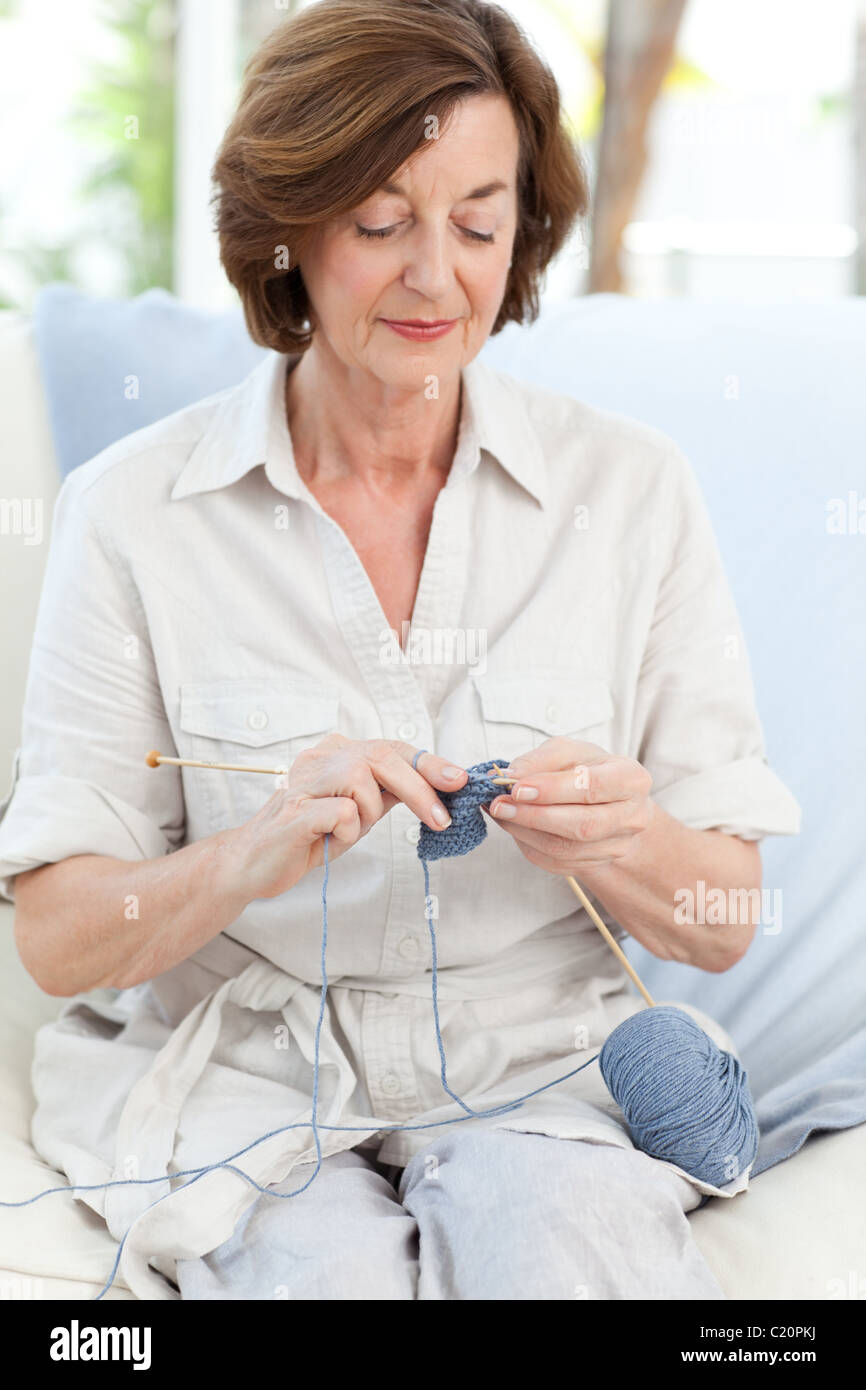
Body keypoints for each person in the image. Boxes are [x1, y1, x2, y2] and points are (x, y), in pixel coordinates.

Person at [0, 0, 801, 1300]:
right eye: (380, 224)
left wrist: (627, 840)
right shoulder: (133, 512)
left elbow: (723, 919)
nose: (436, 275)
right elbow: (57, 937)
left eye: (478, 224)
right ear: (287, 232)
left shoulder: (631, 492)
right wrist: (252, 851)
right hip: (242, 1080)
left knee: (556, 1256)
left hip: (542, 1074)